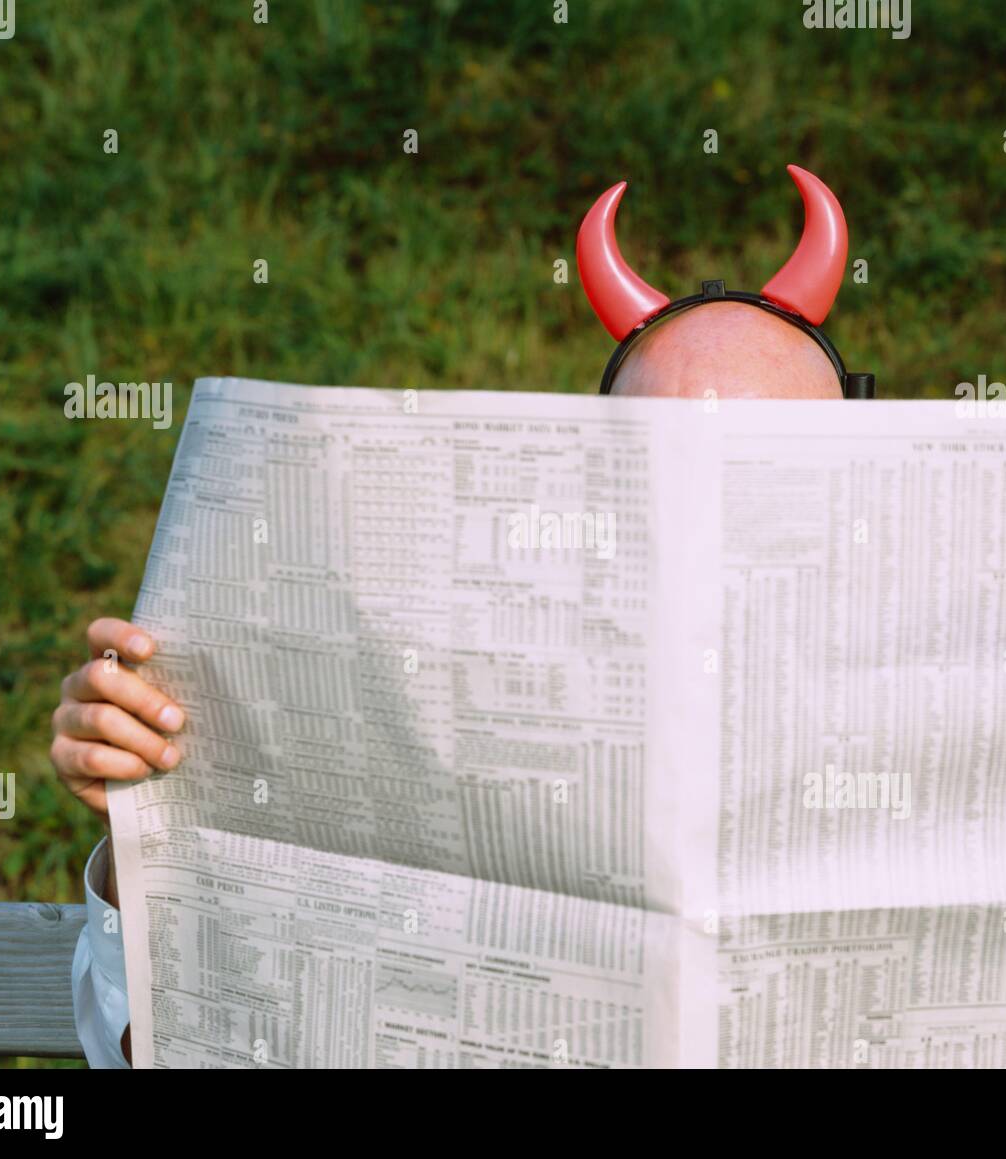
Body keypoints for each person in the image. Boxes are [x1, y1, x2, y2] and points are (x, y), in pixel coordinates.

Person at [55, 165, 858, 1067]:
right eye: (662, 465)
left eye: (771, 465)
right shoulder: (422, 705)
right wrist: (151, 822)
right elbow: (136, 1049)